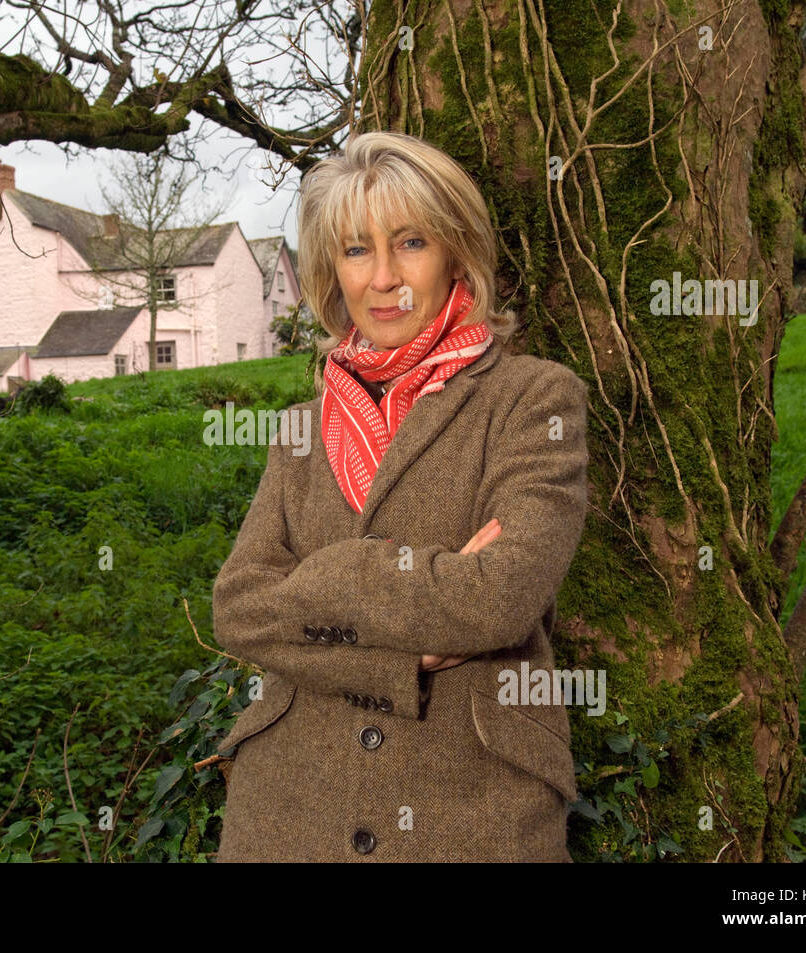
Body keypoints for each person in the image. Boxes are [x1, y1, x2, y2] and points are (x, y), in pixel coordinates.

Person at [209, 131, 591, 862]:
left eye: (410, 242)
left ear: (455, 252)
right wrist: (407, 643)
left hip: (473, 805)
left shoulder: (532, 398)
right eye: (356, 250)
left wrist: (322, 580)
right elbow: (238, 609)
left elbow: (502, 596)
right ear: (332, 269)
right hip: (287, 806)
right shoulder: (299, 428)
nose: (384, 278)